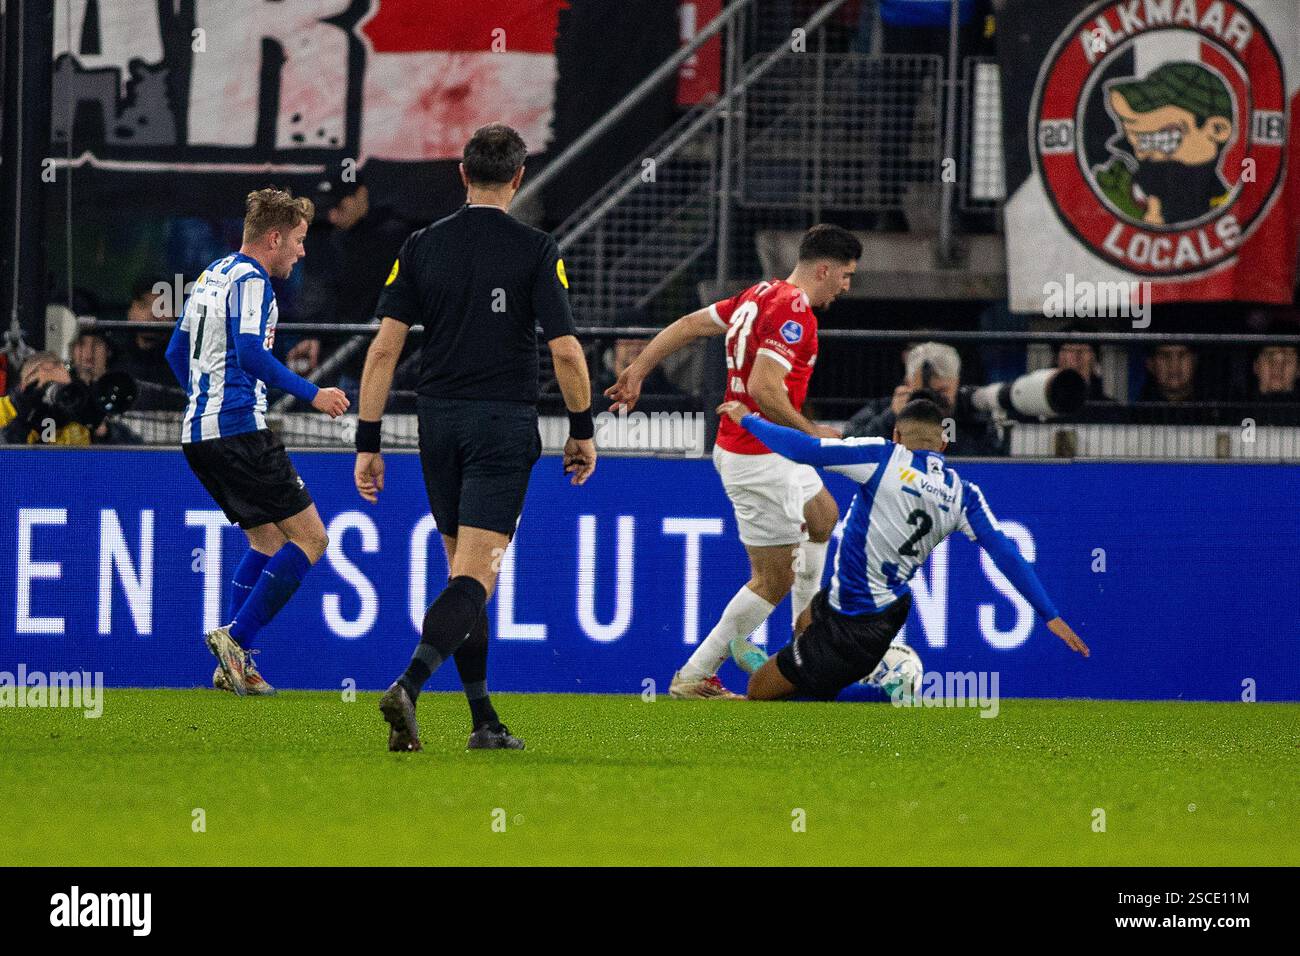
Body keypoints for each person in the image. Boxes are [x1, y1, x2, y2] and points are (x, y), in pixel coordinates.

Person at [355, 123, 596, 753]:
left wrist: (368, 441)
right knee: (477, 578)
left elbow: (384, 350)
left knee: (463, 573)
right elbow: (566, 354)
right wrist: (582, 430)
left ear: (463, 175)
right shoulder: (538, 249)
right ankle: (408, 685)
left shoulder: (420, 245)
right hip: (500, 424)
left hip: (436, 421)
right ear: (518, 178)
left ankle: (483, 721)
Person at [605, 223, 862, 699]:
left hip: (770, 450)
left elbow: (688, 325)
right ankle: (695, 675)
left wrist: (637, 370)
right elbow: (765, 389)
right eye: (845, 275)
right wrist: (814, 435)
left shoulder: (760, 294)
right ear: (823, 269)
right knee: (773, 577)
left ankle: (803, 643)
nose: (846, 286)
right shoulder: (796, 312)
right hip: (757, 455)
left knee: (824, 515)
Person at [718, 397, 1089, 700]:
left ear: (896, 434)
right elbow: (1005, 553)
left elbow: (806, 450)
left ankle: (886, 690)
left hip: (856, 619)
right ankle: (802, 668)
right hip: (881, 605)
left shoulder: (884, 458)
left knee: (759, 691)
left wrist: (749, 421)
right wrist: (1049, 614)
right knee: (804, 623)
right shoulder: (963, 495)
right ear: (943, 442)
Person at [166, 188, 350, 697]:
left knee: (266, 541)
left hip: (199, 436)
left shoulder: (212, 275)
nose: (301, 251)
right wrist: (313, 393)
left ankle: (235, 666)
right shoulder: (252, 281)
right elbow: (249, 353)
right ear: (274, 237)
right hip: (240, 431)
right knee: (312, 539)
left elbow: (176, 350)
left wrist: (205, 401)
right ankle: (236, 639)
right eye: (297, 239)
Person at [844, 341, 1006, 455]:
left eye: (942, 391)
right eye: (923, 392)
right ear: (908, 383)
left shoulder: (972, 413)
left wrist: (947, 425)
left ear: (956, 382)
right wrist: (891, 417)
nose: (932, 399)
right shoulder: (886, 408)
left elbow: (991, 460)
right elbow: (849, 445)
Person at [117, 278, 188, 411]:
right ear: (130, 312)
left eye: (162, 307)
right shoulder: (115, 362)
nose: (152, 314)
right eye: (144, 306)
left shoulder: (184, 366)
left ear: (174, 314)